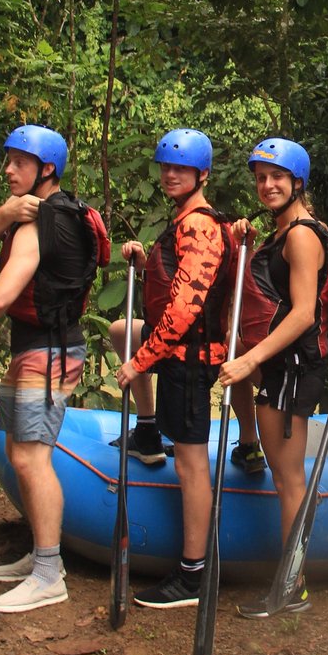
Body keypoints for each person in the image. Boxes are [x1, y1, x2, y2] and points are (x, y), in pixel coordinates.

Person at [0, 125, 109, 614]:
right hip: (32, 348)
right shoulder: (26, 215)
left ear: (47, 168)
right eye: (7, 159)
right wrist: (5, 212)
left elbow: (1, 296)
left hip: (50, 354)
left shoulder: (42, 224)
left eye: (19, 162)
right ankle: (40, 554)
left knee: (33, 457)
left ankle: (49, 572)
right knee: (19, 449)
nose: (9, 169)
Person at [219, 138, 328, 618]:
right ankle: (293, 580)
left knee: (289, 481)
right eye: (260, 177)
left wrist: (250, 362)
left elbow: (303, 315)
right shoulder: (284, 231)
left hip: (292, 368)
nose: (267, 185)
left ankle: (293, 585)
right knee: (284, 477)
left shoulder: (301, 235)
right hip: (283, 365)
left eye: (277, 177)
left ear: (297, 182)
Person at [116, 129, 236, 609]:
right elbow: (174, 284)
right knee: (120, 327)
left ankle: (193, 573)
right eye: (166, 166)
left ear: (201, 174)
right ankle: (147, 431)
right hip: (181, 356)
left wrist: (139, 362)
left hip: (189, 362)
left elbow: (187, 309)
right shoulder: (184, 221)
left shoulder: (201, 226)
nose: (170, 174)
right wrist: (145, 263)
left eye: (180, 168)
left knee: (190, 465)